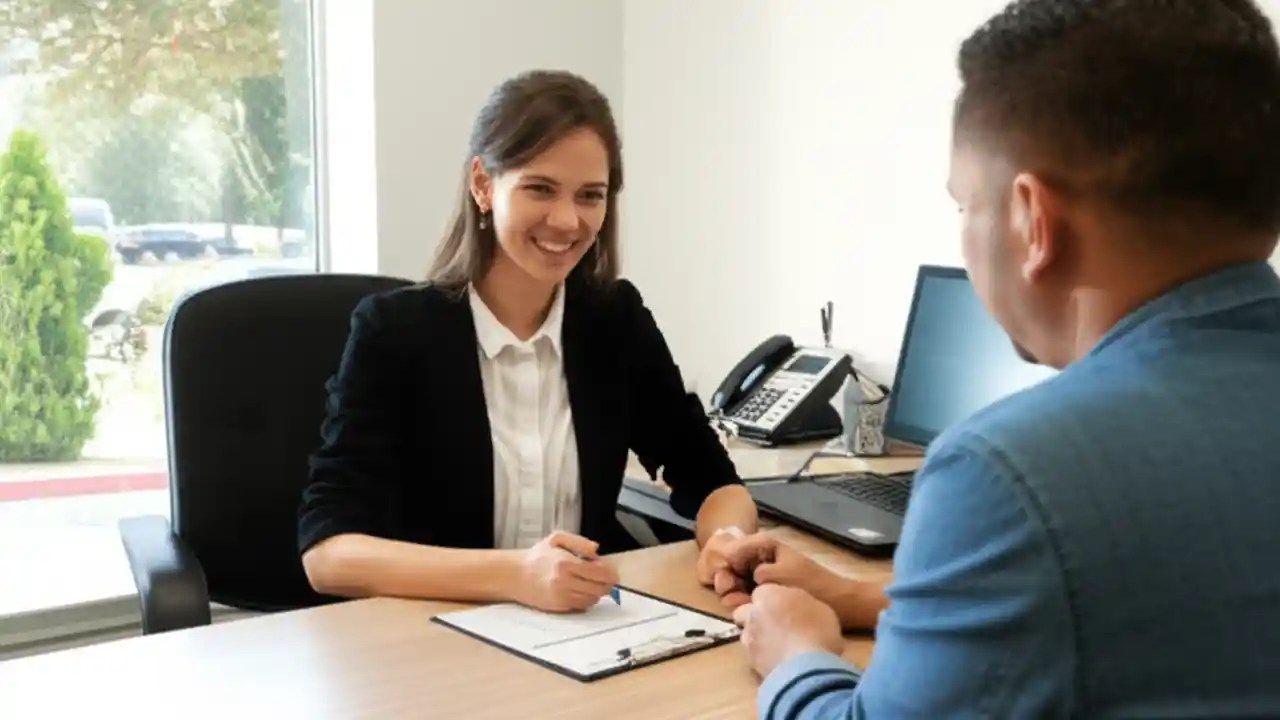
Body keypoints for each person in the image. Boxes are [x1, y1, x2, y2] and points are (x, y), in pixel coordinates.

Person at [721, 1, 1280, 717]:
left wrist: (797, 654)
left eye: (964, 206)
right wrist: (868, 598)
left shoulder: (1008, 473)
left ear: (1030, 221)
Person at [297, 70, 758, 613]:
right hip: (433, 635)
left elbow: (710, 479)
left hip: (581, 630)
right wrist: (516, 574)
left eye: (591, 196)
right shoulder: (394, 332)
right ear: (483, 185)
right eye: (540, 188)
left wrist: (727, 542)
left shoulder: (615, 320)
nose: (567, 220)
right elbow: (328, 555)